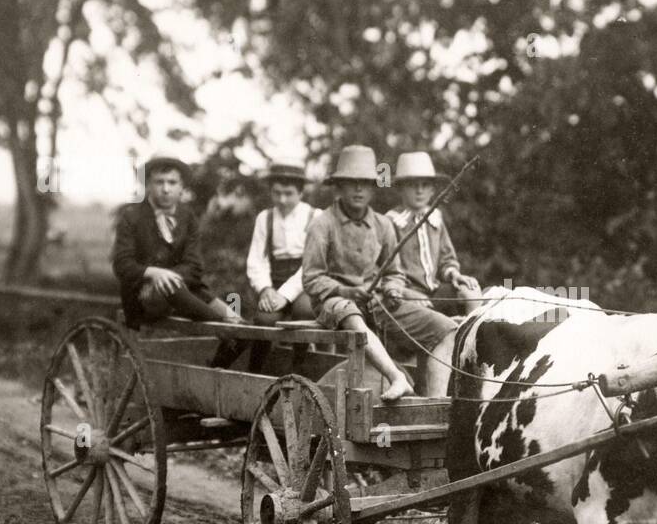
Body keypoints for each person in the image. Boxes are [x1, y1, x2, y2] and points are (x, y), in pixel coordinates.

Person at [301, 145, 457, 400]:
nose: (359, 189)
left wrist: (393, 287)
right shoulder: (323, 225)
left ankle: (436, 402)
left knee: (446, 328)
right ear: (339, 186)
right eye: (352, 183)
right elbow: (311, 278)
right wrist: (345, 290)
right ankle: (397, 378)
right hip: (335, 304)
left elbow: (394, 272)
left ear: (373, 187)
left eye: (365, 183)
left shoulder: (383, 225)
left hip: (377, 301)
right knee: (350, 312)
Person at [111, 154, 244, 367]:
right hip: (143, 296)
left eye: (172, 182)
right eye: (159, 182)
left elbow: (194, 266)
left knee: (240, 325)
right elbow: (122, 264)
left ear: (181, 187)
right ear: (148, 185)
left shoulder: (187, 217)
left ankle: (218, 364)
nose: (166, 189)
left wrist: (171, 275)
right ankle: (222, 327)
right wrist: (154, 273)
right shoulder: (132, 217)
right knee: (174, 290)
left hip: (187, 291)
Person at [385, 151, 482, 315]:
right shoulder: (390, 222)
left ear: (432, 190)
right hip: (405, 294)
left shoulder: (435, 218)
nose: (419, 191)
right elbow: (386, 272)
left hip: (433, 290)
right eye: (412, 185)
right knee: (426, 315)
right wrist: (406, 293)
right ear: (400, 189)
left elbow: (446, 259)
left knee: (470, 292)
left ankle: (472, 338)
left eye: (425, 185)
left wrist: (454, 275)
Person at [246, 161, 317, 325]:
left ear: (301, 193)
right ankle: (264, 351)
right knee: (264, 318)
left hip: (305, 282)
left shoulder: (315, 217)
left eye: (288, 193)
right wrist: (266, 289)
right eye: (277, 193)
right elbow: (256, 260)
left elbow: (313, 264)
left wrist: (285, 295)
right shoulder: (265, 218)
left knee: (305, 311)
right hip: (274, 281)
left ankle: (302, 351)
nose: (282, 200)